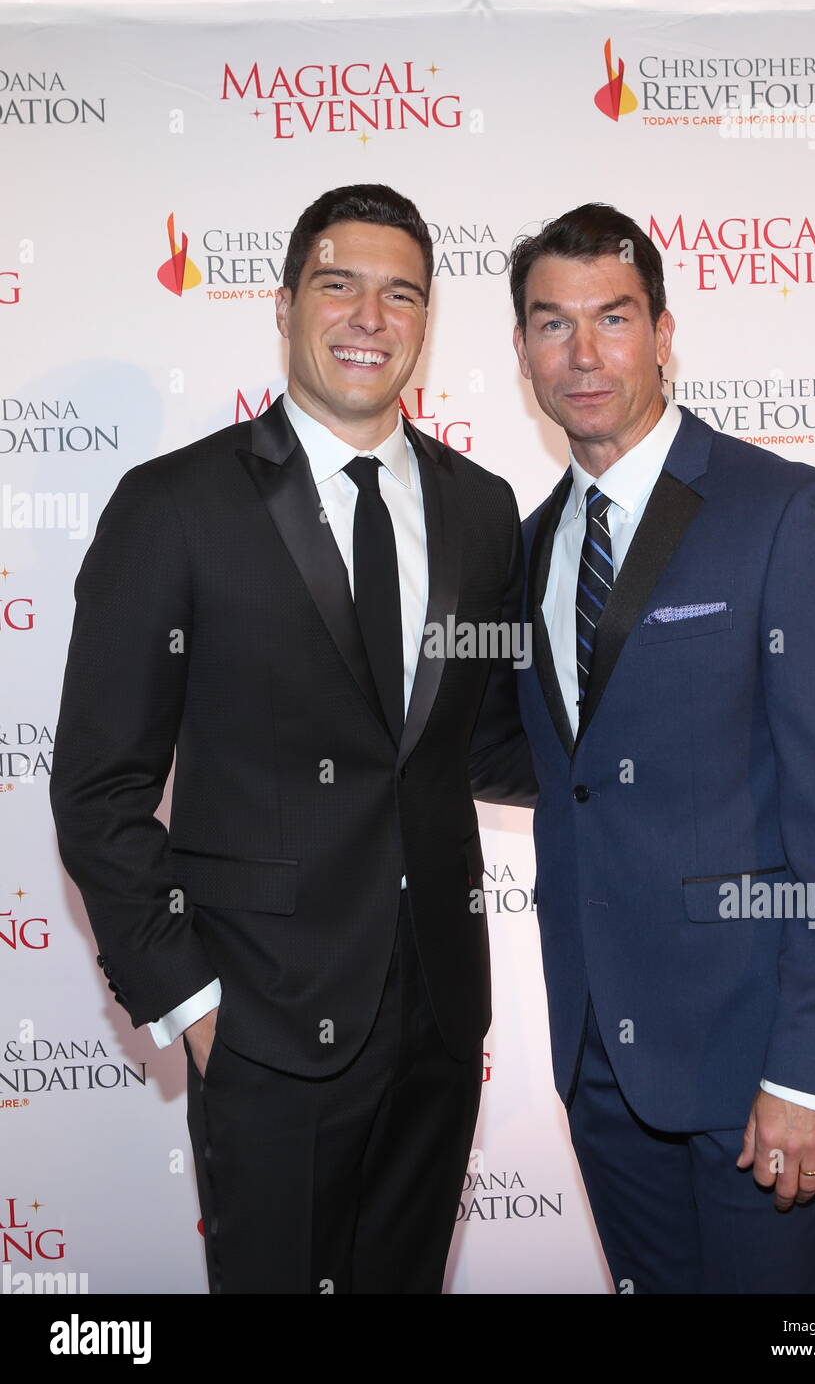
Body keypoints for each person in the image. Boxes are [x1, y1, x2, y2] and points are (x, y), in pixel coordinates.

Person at [49, 182, 534, 1295]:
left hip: (438, 1019)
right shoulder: (173, 505)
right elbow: (98, 786)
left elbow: (481, 742)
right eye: (338, 284)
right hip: (260, 1018)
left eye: (399, 292)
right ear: (283, 306)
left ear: (426, 322)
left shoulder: (481, 508)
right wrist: (192, 1002)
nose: (369, 315)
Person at [508, 203, 815, 1294]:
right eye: (552, 324)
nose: (583, 354)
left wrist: (813, 1072)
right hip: (599, 1062)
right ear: (520, 352)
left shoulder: (784, 512)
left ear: (663, 332)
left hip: (754, 1068)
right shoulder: (526, 547)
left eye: (613, 319)